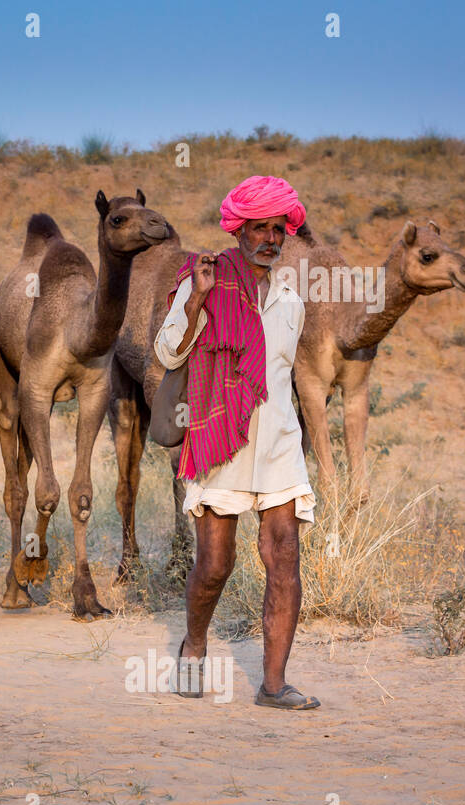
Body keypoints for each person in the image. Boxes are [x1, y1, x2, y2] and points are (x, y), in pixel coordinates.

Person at [154, 175, 320, 710]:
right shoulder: (204, 279)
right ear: (240, 228)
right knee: (215, 565)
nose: (271, 239)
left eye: (279, 229)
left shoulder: (292, 298)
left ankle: (273, 685)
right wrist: (198, 299)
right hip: (219, 438)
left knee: (284, 557)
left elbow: (283, 376)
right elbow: (168, 354)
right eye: (260, 228)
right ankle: (194, 645)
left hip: (277, 442)